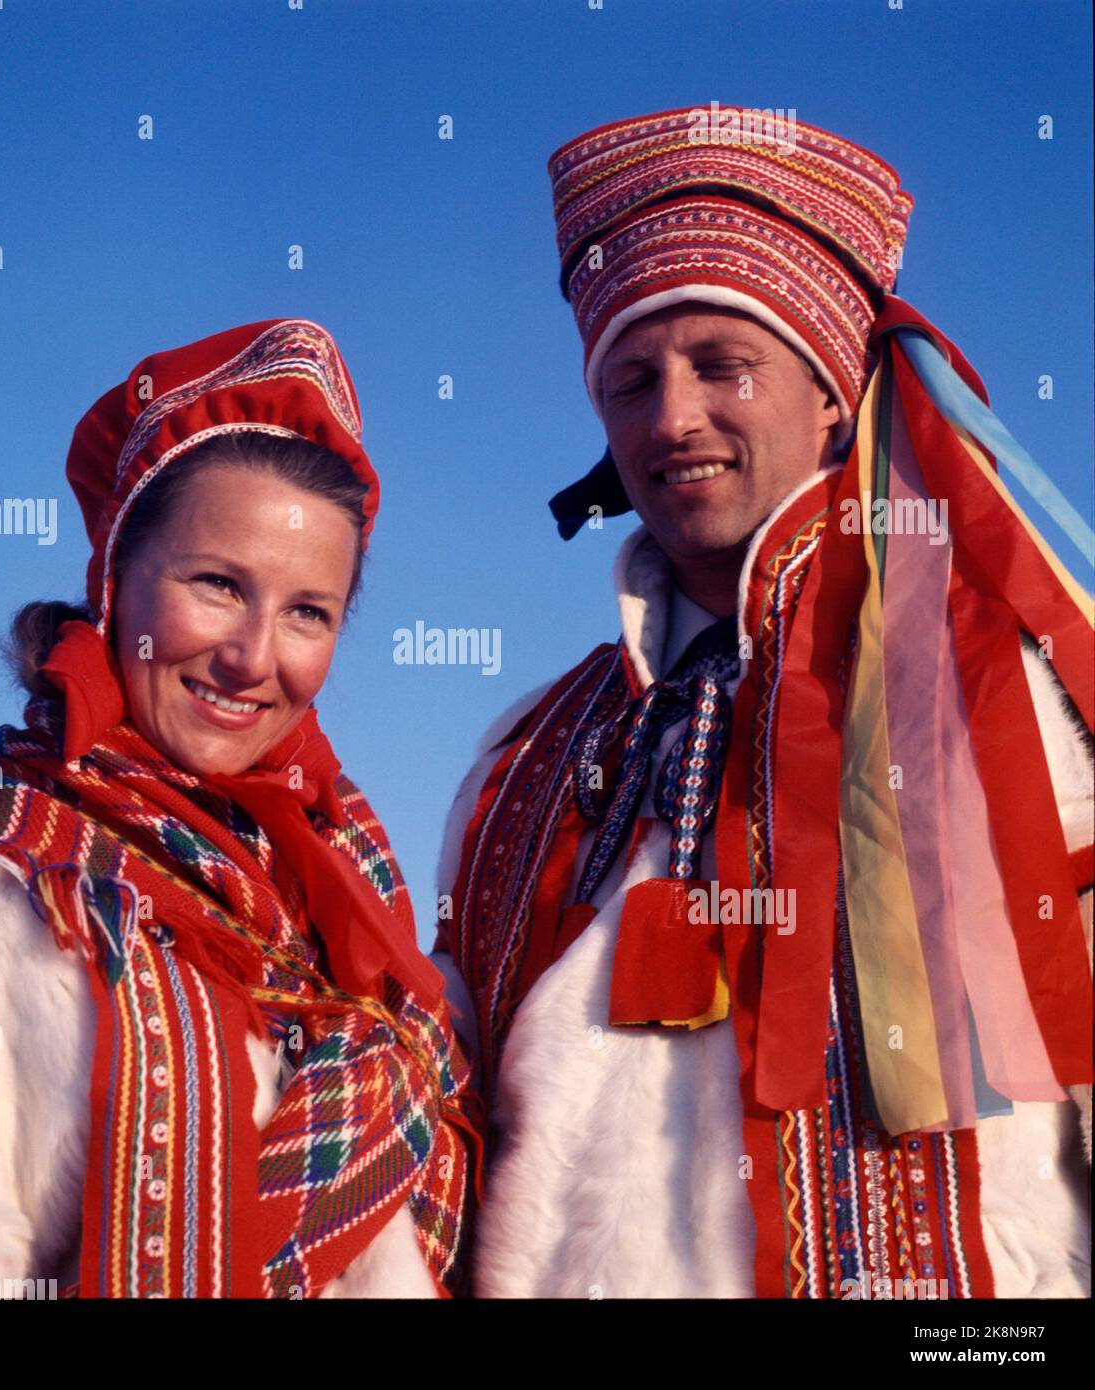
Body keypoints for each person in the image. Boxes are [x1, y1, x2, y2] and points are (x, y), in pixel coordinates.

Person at [434, 106, 1093, 1299]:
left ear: (833, 396)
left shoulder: (1017, 693)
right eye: (632, 380)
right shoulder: (524, 758)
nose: (672, 418)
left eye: (722, 366)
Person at [0, 318, 475, 1299]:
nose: (253, 655)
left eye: (307, 612)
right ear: (114, 585)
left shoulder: (337, 897)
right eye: (217, 584)